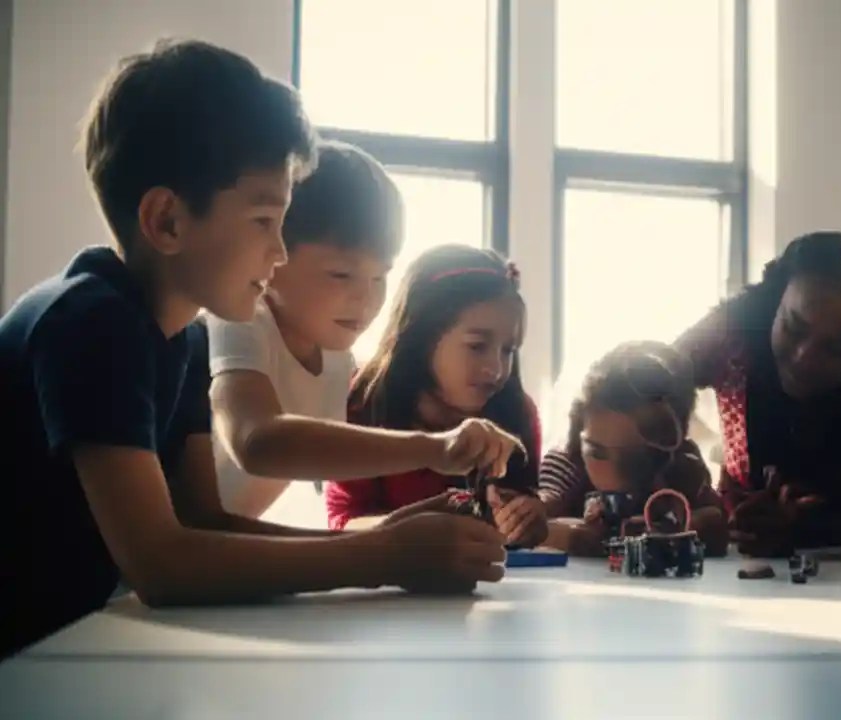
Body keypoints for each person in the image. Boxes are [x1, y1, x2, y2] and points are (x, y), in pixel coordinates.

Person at [0, 40, 510, 657]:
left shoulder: (179, 336)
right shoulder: (91, 322)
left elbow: (199, 524)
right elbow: (162, 565)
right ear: (167, 221)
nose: (280, 252)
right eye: (265, 222)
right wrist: (383, 555)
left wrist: (385, 540)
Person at [207, 139, 472, 518]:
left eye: (380, 277)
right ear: (274, 255)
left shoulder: (337, 356)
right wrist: (433, 448)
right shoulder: (239, 320)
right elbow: (256, 443)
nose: (365, 300)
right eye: (341, 274)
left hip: (217, 552)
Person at [674, 231, 841, 557]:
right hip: (729, 535)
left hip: (839, 541)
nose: (806, 356)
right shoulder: (733, 329)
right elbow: (645, 388)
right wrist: (686, 484)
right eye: (794, 327)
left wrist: (804, 525)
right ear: (775, 301)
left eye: (839, 348)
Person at [328, 245, 548, 548]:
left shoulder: (516, 412)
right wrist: (417, 528)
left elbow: (523, 510)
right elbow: (343, 525)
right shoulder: (361, 406)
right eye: (476, 345)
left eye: (508, 350)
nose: (496, 369)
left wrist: (529, 519)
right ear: (421, 335)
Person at [539, 341, 728, 556]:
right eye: (597, 452)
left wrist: (679, 526)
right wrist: (563, 534)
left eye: (634, 455)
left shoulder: (682, 470)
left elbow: (717, 521)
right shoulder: (568, 463)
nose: (614, 469)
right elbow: (535, 514)